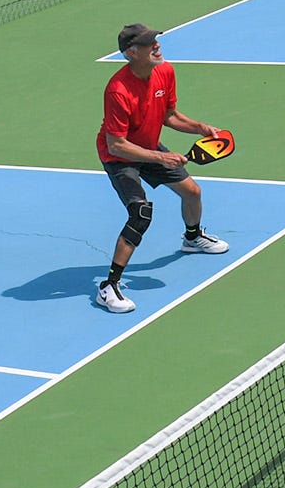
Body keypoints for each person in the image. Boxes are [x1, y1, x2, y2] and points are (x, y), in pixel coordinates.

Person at [95, 22, 228, 314]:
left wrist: (200, 128)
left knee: (192, 192)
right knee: (140, 213)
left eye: (155, 40)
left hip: (149, 146)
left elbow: (170, 116)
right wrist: (160, 158)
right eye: (148, 43)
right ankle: (109, 286)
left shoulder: (164, 72)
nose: (156, 45)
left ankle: (192, 238)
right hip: (120, 157)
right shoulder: (117, 90)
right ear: (131, 53)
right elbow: (116, 144)